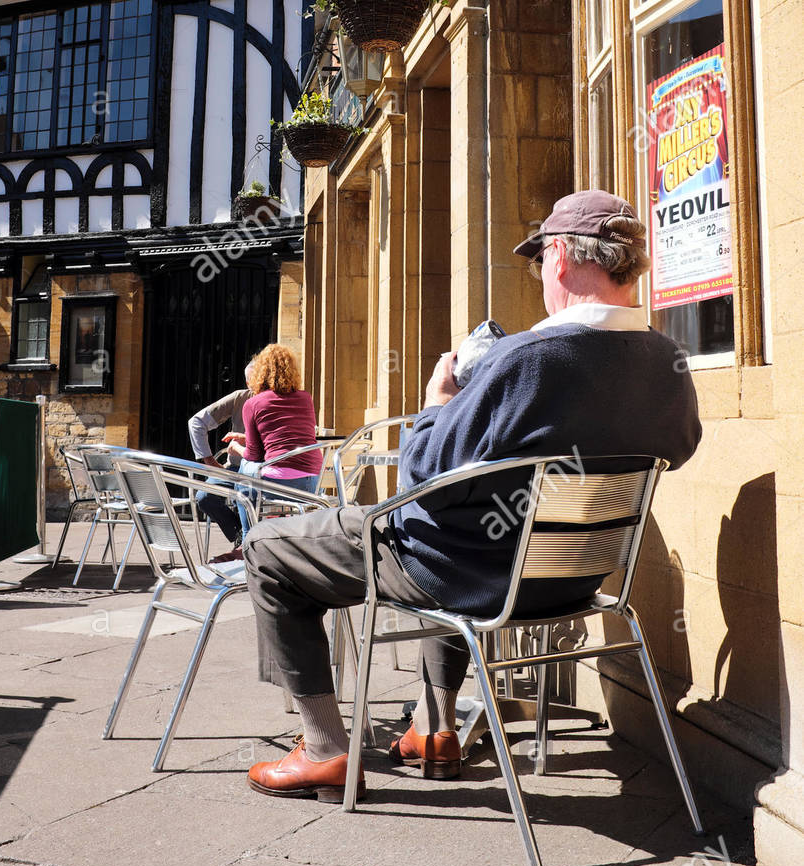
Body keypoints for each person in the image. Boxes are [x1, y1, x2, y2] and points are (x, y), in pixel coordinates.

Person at [242, 190, 702, 802]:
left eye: (540, 263)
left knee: (269, 547)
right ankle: (433, 729)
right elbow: (685, 445)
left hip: (472, 575)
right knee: (464, 529)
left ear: (560, 257)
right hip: (578, 580)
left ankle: (324, 748)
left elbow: (422, 470)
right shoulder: (667, 359)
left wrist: (440, 397)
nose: (541, 278)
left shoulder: (526, 357)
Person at [226, 344, 323, 497]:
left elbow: (253, 455)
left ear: (259, 372)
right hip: (313, 482)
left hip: (278, 483)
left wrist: (236, 447)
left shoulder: (252, 404)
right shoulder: (306, 398)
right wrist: (246, 438)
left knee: (244, 476)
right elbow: (290, 435)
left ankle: (252, 522)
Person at [188, 361, 257, 562]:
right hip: (235, 467)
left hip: (257, 468)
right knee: (204, 497)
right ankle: (241, 538)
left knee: (248, 494)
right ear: (248, 381)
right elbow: (197, 422)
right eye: (255, 380)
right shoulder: (239, 398)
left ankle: (250, 542)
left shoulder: (274, 400)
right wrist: (209, 460)